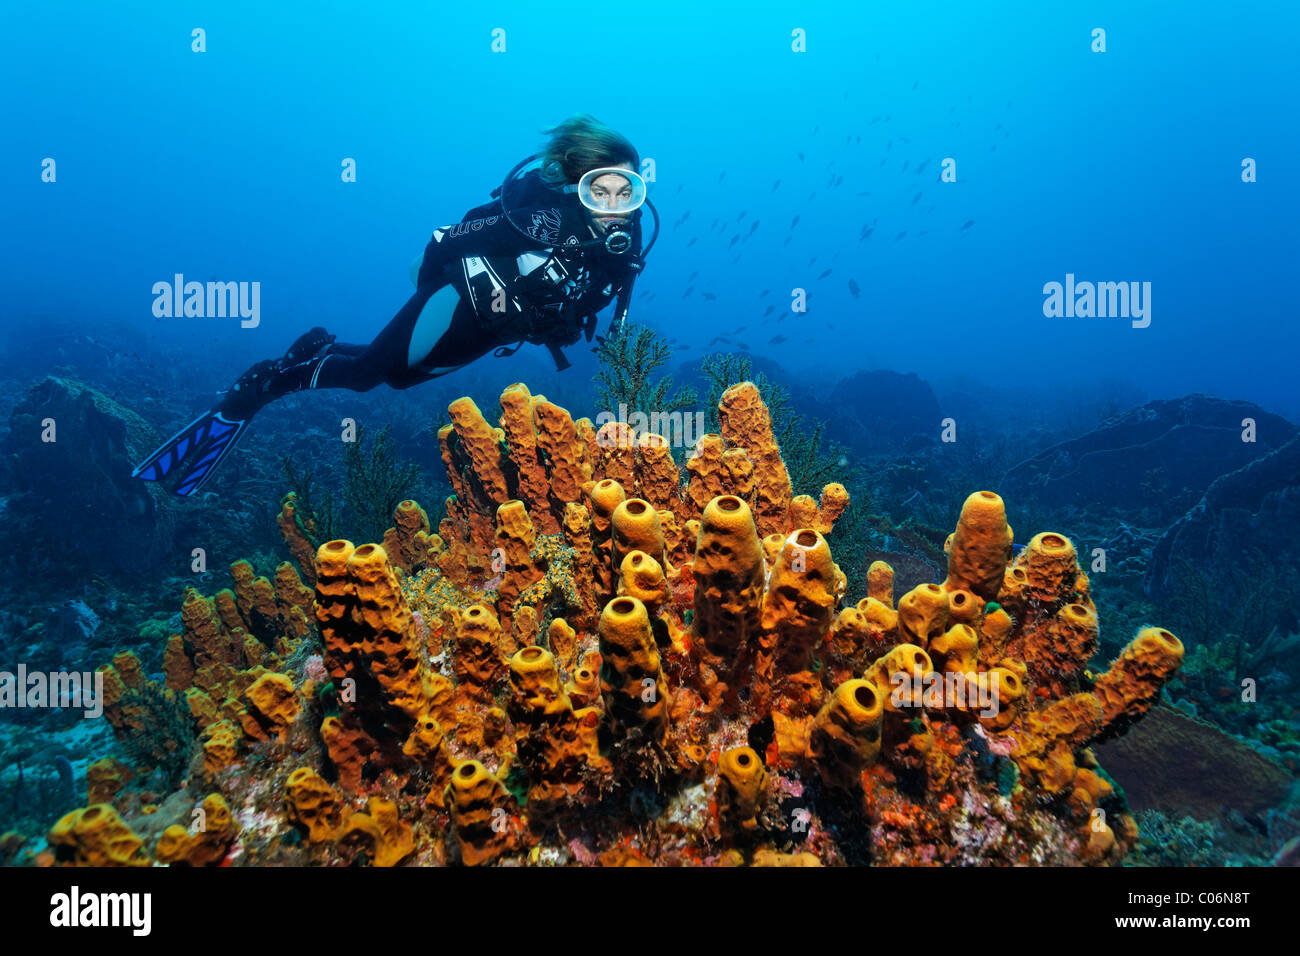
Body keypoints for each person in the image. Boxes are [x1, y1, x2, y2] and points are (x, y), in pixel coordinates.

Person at [133, 114, 657, 496]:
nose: (613, 207)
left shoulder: (626, 246)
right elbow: (446, 238)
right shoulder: (540, 221)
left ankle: (318, 348)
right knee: (366, 375)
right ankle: (263, 386)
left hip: (493, 331)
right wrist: (429, 293)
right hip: (457, 301)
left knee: (397, 377)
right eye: (598, 190)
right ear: (575, 186)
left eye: (626, 191)